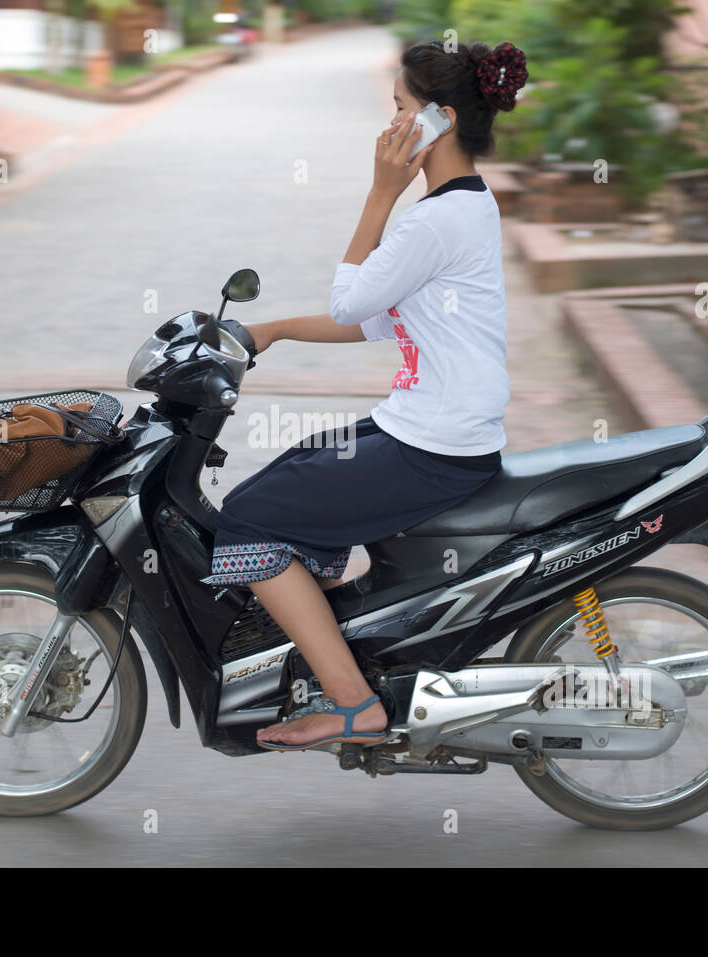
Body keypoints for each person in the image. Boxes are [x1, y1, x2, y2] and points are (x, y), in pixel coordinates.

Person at [202, 39, 529, 751]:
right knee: (294, 468)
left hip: (436, 446)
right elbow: (383, 316)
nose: (389, 128)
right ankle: (330, 656)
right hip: (430, 428)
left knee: (249, 518)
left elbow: (352, 301)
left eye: (400, 110)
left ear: (440, 120)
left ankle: (354, 704)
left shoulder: (435, 217)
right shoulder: (464, 206)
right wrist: (276, 329)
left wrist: (379, 192)